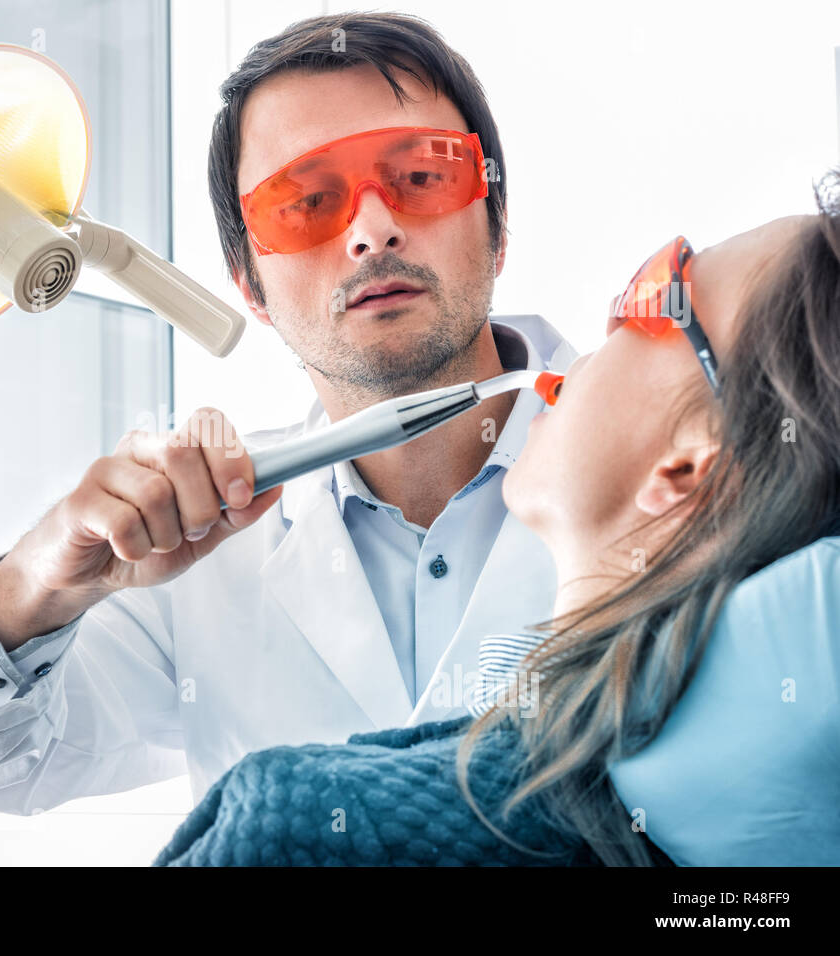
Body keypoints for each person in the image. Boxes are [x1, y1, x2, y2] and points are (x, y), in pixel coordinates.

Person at [0, 12, 576, 813]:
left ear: (498, 223)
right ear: (248, 285)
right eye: (305, 201)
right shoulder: (200, 545)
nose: (374, 230)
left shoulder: (682, 450)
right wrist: (41, 579)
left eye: (420, 175)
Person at [154, 183, 840, 866]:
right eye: (305, 201)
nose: (606, 325)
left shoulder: (290, 829)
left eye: (656, 289)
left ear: (688, 467)